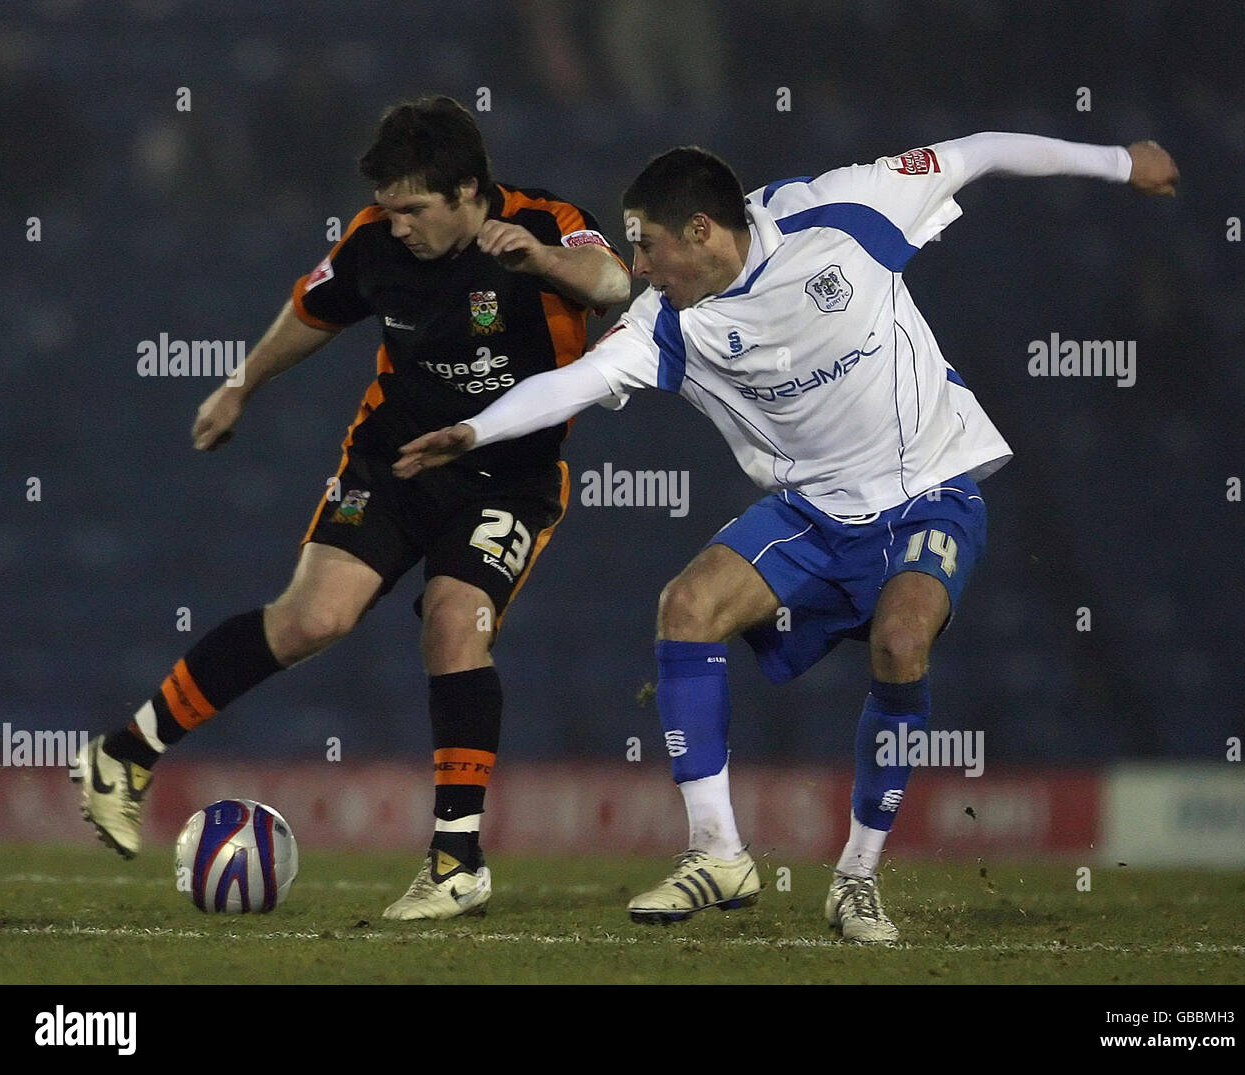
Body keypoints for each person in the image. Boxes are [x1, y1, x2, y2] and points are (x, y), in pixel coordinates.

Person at [394, 132, 1178, 941]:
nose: (642, 268)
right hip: (813, 509)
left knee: (903, 641)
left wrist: (1121, 164)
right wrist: (475, 430)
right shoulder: (666, 321)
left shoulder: (845, 210)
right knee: (687, 605)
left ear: (702, 231)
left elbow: (978, 151)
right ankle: (717, 851)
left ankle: (857, 877)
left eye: (648, 246)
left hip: (929, 487)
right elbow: (577, 383)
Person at [74, 95, 630, 921]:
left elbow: (615, 281)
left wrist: (541, 263)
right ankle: (123, 756)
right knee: (313, 620)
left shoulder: (548, 221)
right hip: (394, 460)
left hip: (508, 479)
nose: (396, 223)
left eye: (413, 208)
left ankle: (456, 860)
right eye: (390, 206)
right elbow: (313, 311)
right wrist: (241, 383)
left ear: (468, 192)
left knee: (454, 619)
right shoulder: (374, 240)